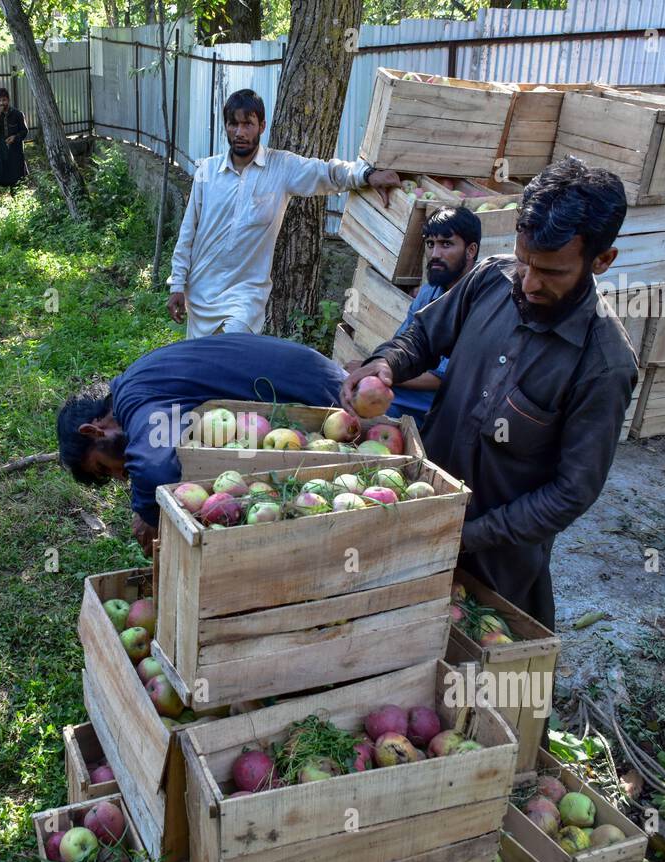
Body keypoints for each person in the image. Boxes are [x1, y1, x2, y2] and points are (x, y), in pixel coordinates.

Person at [341, 157, 639, 629]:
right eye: (524, 261)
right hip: (418, 509)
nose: (529, 282)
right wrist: (385, 363)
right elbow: (423, 336)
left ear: (602, 261)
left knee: (473, 673)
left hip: (495, 562)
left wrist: (466, 533)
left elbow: (570, 493)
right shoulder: (490, 280)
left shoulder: (603, 365)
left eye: (552, 272)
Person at [56, 335, 347, 554]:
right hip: (315, 388)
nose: (121, 475)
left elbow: (156, 466)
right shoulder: (141, 385)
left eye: (103, 468)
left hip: (325, 397)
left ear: (95, 431)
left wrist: (147, 515)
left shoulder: (134, 399)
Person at [167, 89, 402, 338]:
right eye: (233, 124)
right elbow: (187, 232)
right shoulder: (207, 171)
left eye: (248, 123)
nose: (240, 132)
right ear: (225, 126)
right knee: (203, 368)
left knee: (232, 351)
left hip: (245, 295)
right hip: (202, 293)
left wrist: (366, 175)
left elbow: (326, 173)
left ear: (262, 126)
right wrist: (178, 284)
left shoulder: (281, 167)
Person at [374, 206, 483, 426]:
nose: (435, 255)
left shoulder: (482, 298)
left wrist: (381, 374)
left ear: (471, 251)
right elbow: (402, 349)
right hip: (420, 390)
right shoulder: (428, 293)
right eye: (430, 244)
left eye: (446, 244)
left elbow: (442, 378)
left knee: (384, 406)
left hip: (462, 401)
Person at [0, 88, 28, 187]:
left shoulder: (17, 114)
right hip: (2, 151)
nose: (1, 103)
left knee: (16, 178)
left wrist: (15, 137)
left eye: (4, 100)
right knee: (0, 175)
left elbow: (25, 131)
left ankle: (16, 197)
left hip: (15, 151)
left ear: (8, 100)